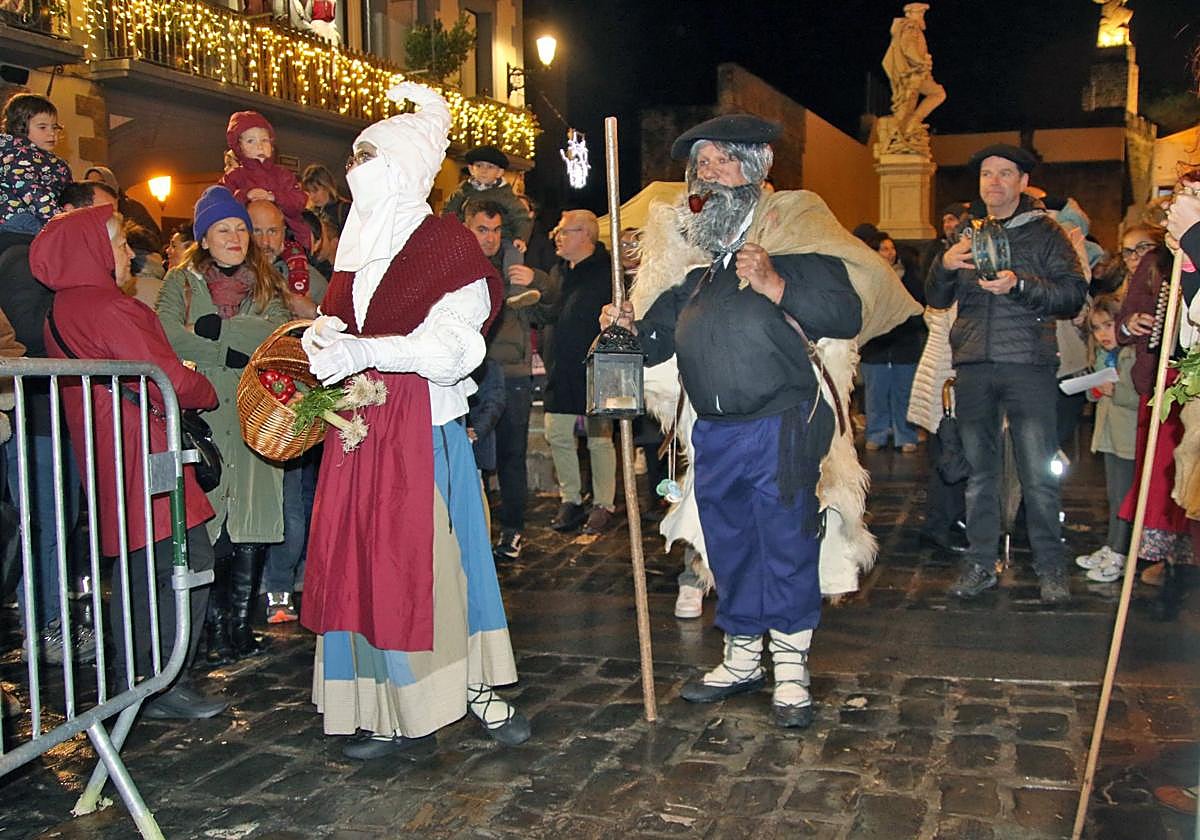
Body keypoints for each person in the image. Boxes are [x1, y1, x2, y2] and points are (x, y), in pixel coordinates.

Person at [606, 113, 916, 728]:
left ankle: (792, 668)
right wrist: (624, 330)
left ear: (754, 169)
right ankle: (743, 655)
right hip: (714, 432)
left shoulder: (798, 244)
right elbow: (656, 339)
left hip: (781, 425)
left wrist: (777, 284)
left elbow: (844, 310)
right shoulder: (700, 273)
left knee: (784, 544)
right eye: (700, 164)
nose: (707, 173)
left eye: (721, 160)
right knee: (730, 543)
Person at [300, 82, 527, 758]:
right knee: (361, 567)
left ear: (401, 167)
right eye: (353, 157)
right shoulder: (356, 245)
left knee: (433, 566)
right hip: (358, 432)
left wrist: (364, 349)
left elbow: (458, 347)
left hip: (420, 429)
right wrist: (320, 339)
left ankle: (467, 690)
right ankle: (380, 706)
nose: (355, 170)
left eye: (370, 157)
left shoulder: (447, 245)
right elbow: (342, 319)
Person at [32, 204, 226, 719]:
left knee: (141, 569)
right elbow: (170, 378)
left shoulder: (62, 308)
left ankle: (137, 678)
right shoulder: (109, 308)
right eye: (118, 244)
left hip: (111, 453)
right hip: (145, 452)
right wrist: (205, 390)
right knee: (183, 563)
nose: (128, 254)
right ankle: (162, 680)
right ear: (91, 251)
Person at [927, 143, 1088, 603]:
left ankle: (1050, 567)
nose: (993, 182)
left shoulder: (1047, 234)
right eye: (986, 174)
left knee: (1038, 473)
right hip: (974, 364)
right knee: (979, 474)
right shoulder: (967, 234)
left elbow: (1072, 295)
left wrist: (1020, 285)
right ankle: (980, 564)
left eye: (1004, 174)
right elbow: (936, 299)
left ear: (1022, 183)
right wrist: (945, 265)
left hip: (1029, 366)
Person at [157, 186, 290, 664]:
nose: (235, 237)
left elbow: (275, 336)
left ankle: (238, 626)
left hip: (255, 409)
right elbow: (168, 335)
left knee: (251, 519)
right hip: (206, 408)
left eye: (240, 229)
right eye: (223, 230)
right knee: (209, 519)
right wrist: (223, 351)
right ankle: (211, 628)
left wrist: (215, 333)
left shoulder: (267, 281)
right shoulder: (181, 280)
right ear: (204, 238)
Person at [1, 180, 118, 664]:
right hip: (36, 416)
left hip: (55, 411)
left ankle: (53, 620)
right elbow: (29, 335)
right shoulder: (22, 263)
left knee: (60, 519)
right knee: (44, 522)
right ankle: (46, 626)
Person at [246, 197, 326, 623]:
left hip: (299, 406)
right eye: (256, 230)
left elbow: (341, 324)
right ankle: (266, 584)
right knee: (266, 504)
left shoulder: (305, 276)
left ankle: (285, 585)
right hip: (256, 405)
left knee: (297, 504)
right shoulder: (237, 276)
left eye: (272, 230)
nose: (265, 240)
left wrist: (311, 312)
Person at [463, 198, 557, 559]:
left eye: (496, 229)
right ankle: (477, 529)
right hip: (467, 374)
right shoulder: (456, 266)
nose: (490, 238)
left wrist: (540, 281)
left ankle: (512, 531)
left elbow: (548, 310)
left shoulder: (513, 263)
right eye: (482, 229)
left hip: (512, 372)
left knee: (511, 457)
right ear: (467, 227)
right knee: (471, 456)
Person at [1113, 224, 1193, 588]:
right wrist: (1131, 324)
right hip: (1163, 382)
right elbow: (1122, 323)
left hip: (1192, 380)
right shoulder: (1155, 261)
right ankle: (1164, 555)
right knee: (1161, 474)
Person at [539, 209, 618, 535]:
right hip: (560, 367)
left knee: (599, 438)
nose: (558, 236)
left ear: (586, 234)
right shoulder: (556, 272)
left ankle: (604, 504)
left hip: (596, 368)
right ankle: (570, 499)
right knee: (557, 432)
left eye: (565, 230)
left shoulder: (606, 271)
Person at [1074, 294, 1137, 582]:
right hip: (1109, 435)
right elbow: (1096, 393)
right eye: (1097, 329)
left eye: (1108, 326)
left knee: (1125, 497)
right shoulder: (1102, 356)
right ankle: (1113, 545)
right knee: (1114, 495)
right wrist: (1095, 388)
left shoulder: (1132, 354)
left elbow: (1138, 395)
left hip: (1127, 438)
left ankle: (1121, 552)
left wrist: (1116, 390)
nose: (1102, 335)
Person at [219, 111, 313, 293]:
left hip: (287, 237)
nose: (259, 146)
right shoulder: (235, 177)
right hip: (245, 241)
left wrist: (274, 196)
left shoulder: (283, 175)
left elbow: (299, 201)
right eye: (251, 141)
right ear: (239, 147)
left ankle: (298, 288)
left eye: (264, 140)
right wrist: (245, 195)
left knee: (296, 258)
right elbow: (221, 201)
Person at [859, 231, 926, 452]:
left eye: (891, 248)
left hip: (904, 345)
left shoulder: (910, 278)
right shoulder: (866, 277)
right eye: (884, 248)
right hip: (876, 347)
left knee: (904, 393)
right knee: (875, 393)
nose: (890, 253)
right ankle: (876, 433)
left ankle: (905, 434)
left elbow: (919, 310)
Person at [0, 93, 71, 235]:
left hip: (40, 215)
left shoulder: (52, 161)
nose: (52, 133)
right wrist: (60, 221)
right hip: (14, 218)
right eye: (43, 127)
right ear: (20, 127)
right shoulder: (16, 154)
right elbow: (30, 190)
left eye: (55, 127)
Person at [441, 146, 532, 251]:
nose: (484, 170)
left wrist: (520, 237)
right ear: (471, 169)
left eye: (490, 167)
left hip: (501, 240)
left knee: (513, 252)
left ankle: (513, 266)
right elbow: (448, 211)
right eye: (479, 166)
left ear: (499, 172)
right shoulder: (462, 191)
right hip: (467, 238)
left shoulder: (505, 194)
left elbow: (520, 216)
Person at [83, 165, 163, 249]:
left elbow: (152, 238)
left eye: (101, 182)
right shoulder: (87, 212)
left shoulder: (133, 208)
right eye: (90, 183)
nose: (96, 188)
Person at [300, 163, 352, 233]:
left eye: (315, 191)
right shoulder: (311, 213)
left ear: (327, 187)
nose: (312, 197)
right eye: (309, 192)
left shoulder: (345, 210)